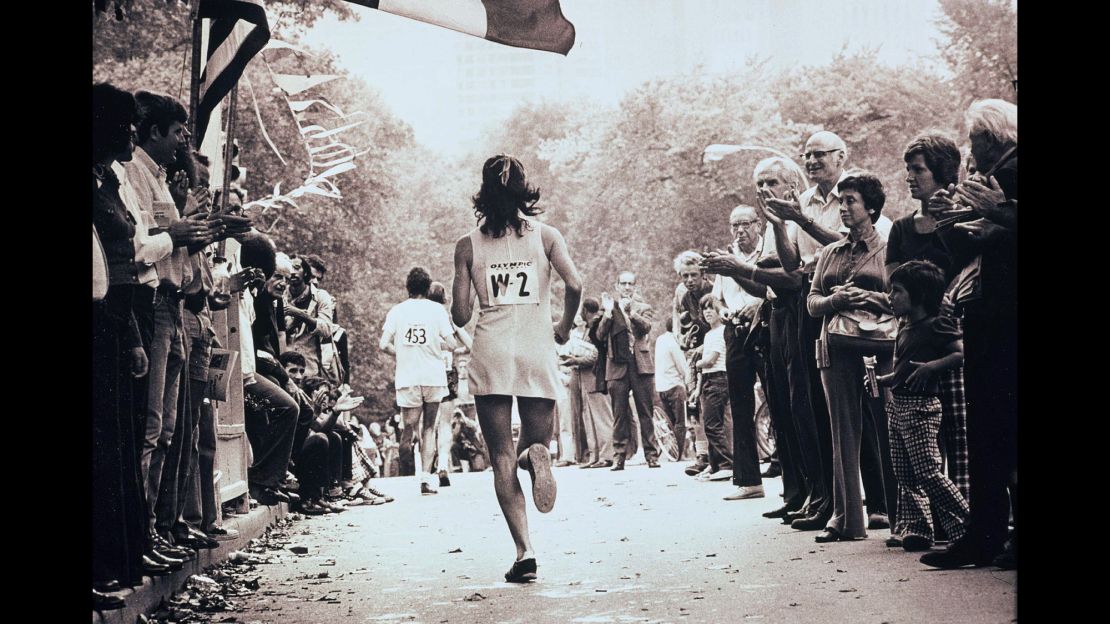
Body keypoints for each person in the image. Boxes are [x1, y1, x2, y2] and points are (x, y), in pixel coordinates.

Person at [451, 154, 582, 583]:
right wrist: (562, 325)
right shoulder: (546, 237)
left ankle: (525, 549)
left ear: (483, 194)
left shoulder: (468, 245)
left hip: (490, 349)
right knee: (528, 447)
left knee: (500, 456)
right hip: (535, 347)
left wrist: (468, 284)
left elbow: (459, 314)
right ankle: (536, 455)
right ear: (525, 191)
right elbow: (576, 285)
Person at [921, 99, 1018, 570]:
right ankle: (985, 533)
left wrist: (998, 212)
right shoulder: (987, 182)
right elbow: (968, 251)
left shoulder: (1011, 172)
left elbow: (998, 228)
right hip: (987, 314)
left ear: (992, 136)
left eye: (973, 139)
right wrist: (947, 219)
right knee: (987, 430)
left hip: (1006, 320)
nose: (969, 150)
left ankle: (991, 535)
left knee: (998, 428)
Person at [806, 172, 898, 543]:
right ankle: (845, 520)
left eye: (851, 201)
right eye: (841, 201)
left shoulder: (892, 248)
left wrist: (870, 299)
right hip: (836, 350)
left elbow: (904, 299)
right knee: (842, 433)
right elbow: (812, 303)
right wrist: (834, 301)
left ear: (871, 208)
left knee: (891, 430)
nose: (843, 208)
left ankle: (903, 517)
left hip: (882, 350)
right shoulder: (829, 253)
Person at [92, 83, 154, 608]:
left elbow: (124, 267)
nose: (131, 132)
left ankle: (120, 556)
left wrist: (132, 335)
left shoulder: (105, 182)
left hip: (115, 322)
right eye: (124, 122)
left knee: (118, 443)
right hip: (98, 325)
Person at [870, 260, 969, 552]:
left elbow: (959, 354)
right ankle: (917, 528)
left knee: (927, 470)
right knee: (904, 473)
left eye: (897, 291)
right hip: (899, 407)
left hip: (922, 408)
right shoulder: (904, 327)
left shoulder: (936, 325)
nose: (890, 297)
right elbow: (903, 368)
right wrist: (887, 379)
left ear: (920, 296)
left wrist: (932, 367)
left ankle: (966, 522)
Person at [380, 267, 459, 494]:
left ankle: (406, 436)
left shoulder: (397, 311)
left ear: (408, 287)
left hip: (407, 376)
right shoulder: (437, 310)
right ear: (427, 287)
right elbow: (452, 344)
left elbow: (383, 344)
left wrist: (402, 353)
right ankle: (425, 478)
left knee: (411, 423)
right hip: (433, 375)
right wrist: (436, 346)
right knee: (429, 428)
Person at [595, 272, 660, 470]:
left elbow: (647, 327)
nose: (627, 287)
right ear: (617, 286)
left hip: (640, 364)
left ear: (635, 287)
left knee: (645, 412)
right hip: (617, 365)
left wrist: (630, 313)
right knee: (619, 414)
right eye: (623, 283)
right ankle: (619, 456)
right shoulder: (608, 308)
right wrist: (608, 314)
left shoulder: (643, 308)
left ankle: (652, 455)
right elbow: (599, 335)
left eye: (630, 284)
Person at [427, 280, 474, 485]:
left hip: (427, 373)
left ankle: (425, 470)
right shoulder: (447, 319)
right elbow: (470, 345)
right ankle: (443, 465)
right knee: (445, 423)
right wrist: (457, 347)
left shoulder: (422, 318)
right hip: (447, 374)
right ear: (445, 300)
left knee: (428, 425)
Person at [654, 318, 689, 461]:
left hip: (662, 387)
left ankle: (671, 453)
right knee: (681, 422)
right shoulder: (673, 343)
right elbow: (682, 366)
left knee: (669, 423)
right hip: (675, 386)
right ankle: (678, 454)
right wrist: (688, 382)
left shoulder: (659, 340)